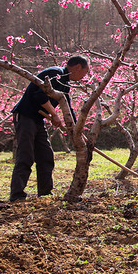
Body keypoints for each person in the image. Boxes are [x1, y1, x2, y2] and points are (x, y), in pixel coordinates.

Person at [9, 55, 89, 202]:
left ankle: (45, 193)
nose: (84, 76)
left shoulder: (65, 84)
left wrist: (77, 130)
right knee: (26, 155)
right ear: (78, 67)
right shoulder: (55, 73)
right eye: (85, 72)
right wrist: (54, 114)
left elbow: (68, 107)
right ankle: (17, 195)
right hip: (26, 116)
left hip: (38, 119)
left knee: (46, 156)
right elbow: (39, 96)